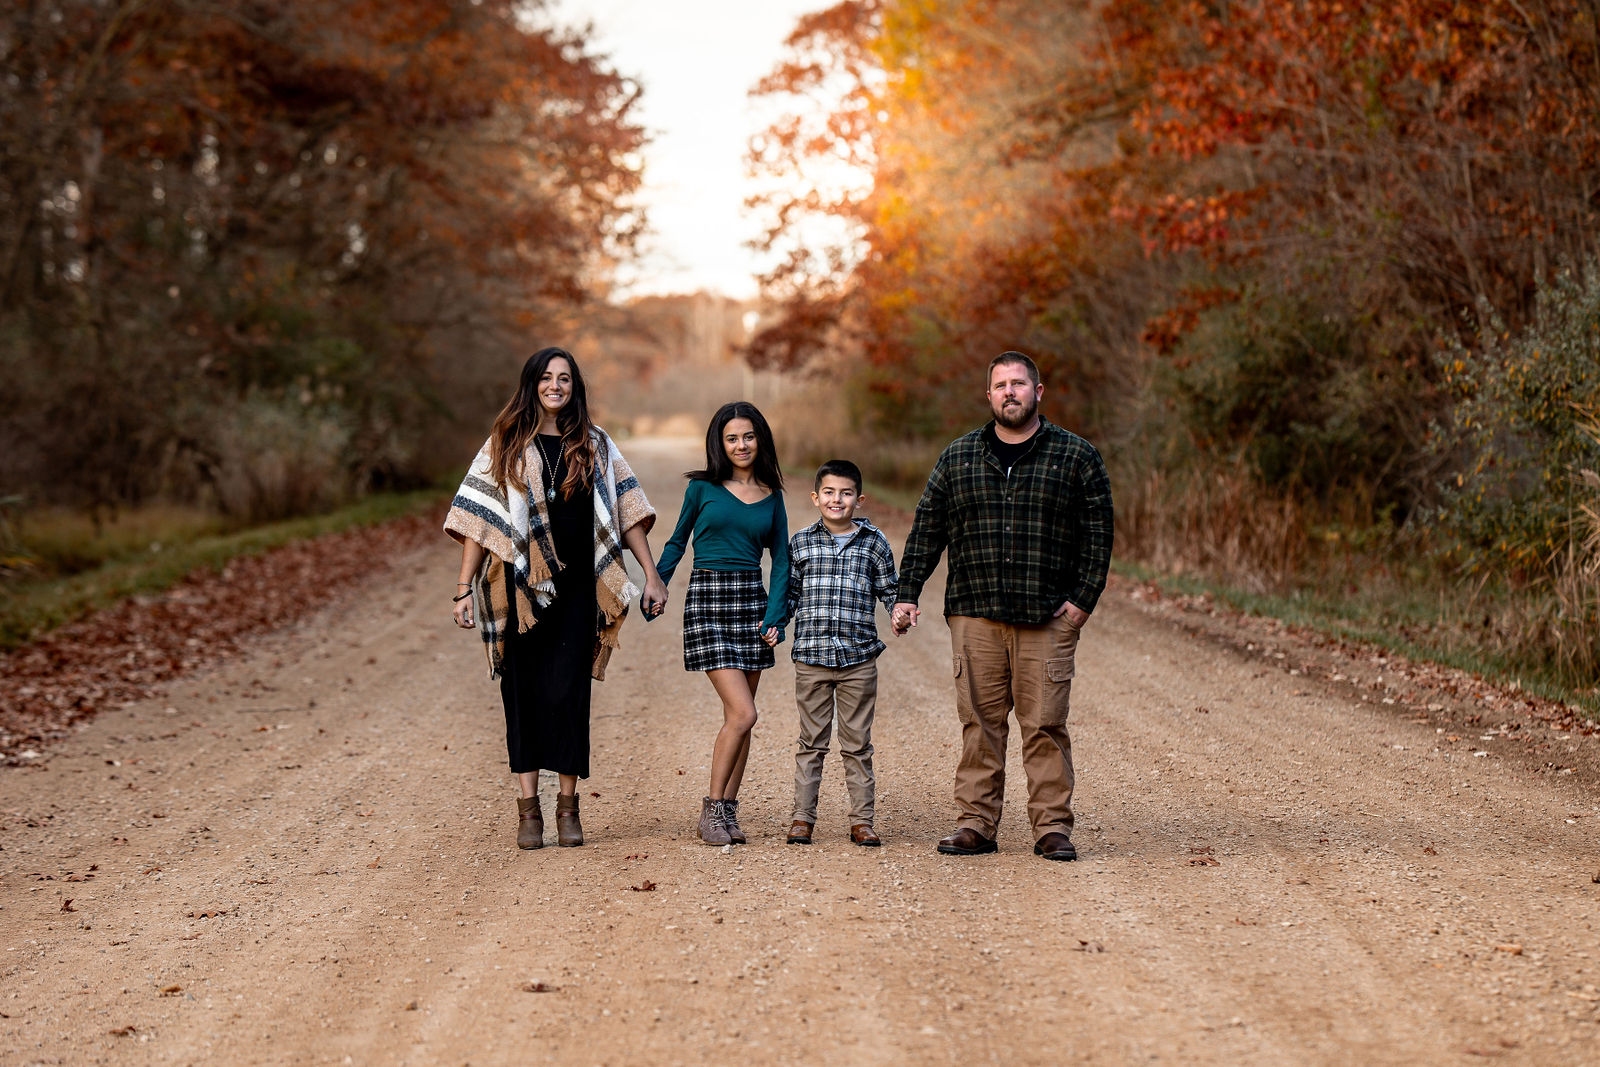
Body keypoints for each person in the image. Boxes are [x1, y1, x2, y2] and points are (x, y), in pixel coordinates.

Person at [892, 351, 1113, 862]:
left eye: (1019, 383)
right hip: (975, 612)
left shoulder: (1076, 456)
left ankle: (1052, 828)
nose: (1009, 392)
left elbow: (1098, 535)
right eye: (1000, 385)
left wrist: (1082, 602)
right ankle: (975, 823)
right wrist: (908, 592)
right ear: (988, 395)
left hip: (1047, 616)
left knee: (1045, 725)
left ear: (1039, 391)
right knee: (980, 724)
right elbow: (928, 528)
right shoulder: (959, 456)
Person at [445, 347, 667, 851]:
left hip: (577, 589)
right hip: (519, 587)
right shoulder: (504, 442)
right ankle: (529, 812)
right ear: (532, 383)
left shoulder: (596, 444)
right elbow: (480, 520)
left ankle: (568, 808)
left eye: (565, 378)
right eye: (547, 377)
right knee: (521, 694)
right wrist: (464, 587)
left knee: (569, 693)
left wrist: (650, 575)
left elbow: (628, 512)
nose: (556, 386)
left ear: (575, 387)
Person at [654, 402, 790, 846]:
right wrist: (658, 583)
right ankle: (711, 810)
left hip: (752, 603)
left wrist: (774, 615)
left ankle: (729, 813)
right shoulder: (702, 489)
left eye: (748, 436)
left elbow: (782, 559)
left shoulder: (772, 494)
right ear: (720, 443)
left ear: (760, 439)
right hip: (709, 601)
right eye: (732, 438)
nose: (741, 445)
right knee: (744, 711)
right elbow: (677, 541)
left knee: (741, 719)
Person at [780, 459, 898, 848]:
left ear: (859, 499)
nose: (837, 500)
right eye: (829, 492)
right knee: (811, 742)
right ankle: (802, 819)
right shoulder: (800, 543)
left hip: (858, 660)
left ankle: (862, 821)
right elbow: (789, 595)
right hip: (811, 658)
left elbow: (889, 590)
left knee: (857, 743)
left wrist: (900, 611)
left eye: (846, 493)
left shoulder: (875, 543)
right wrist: (775, 624)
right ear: (816, 498)